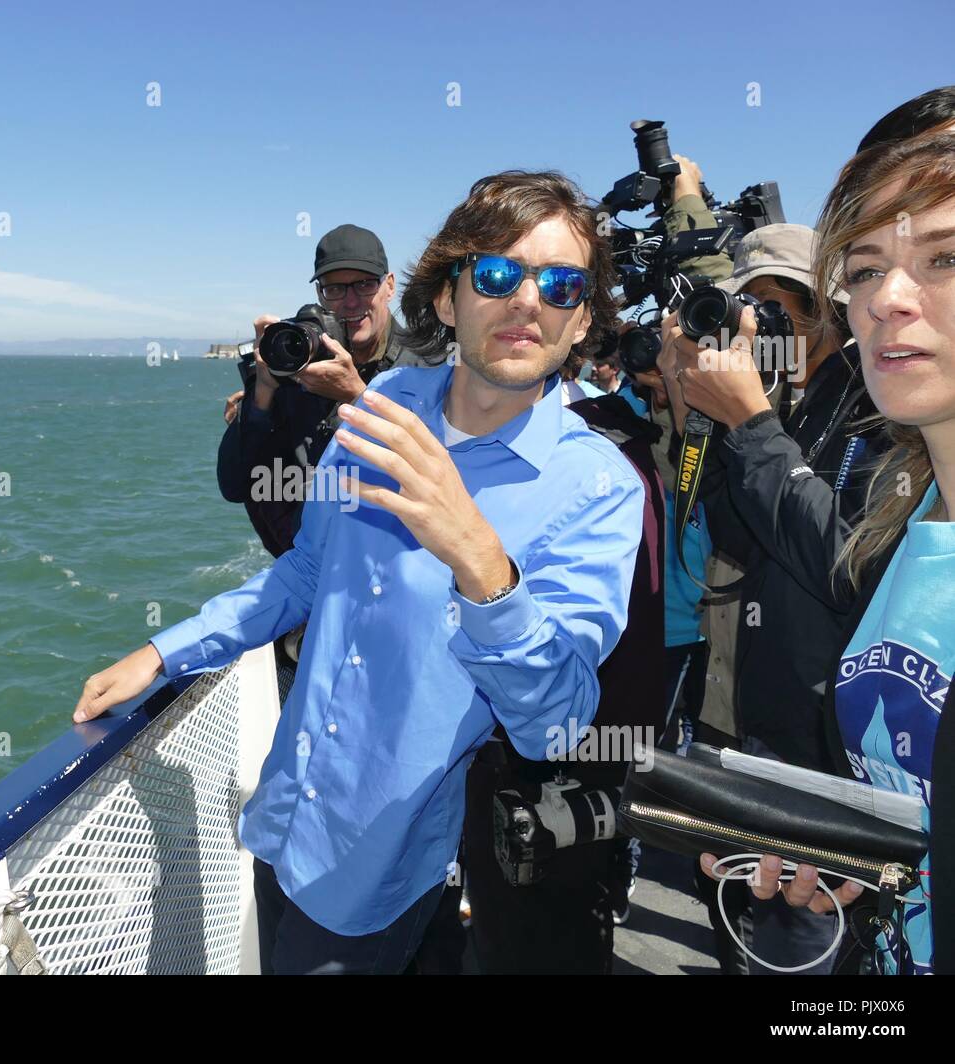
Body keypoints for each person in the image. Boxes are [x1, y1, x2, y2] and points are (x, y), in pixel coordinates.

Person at [72, 170, 644, 975]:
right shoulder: (387, 404)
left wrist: (480, 558)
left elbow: (552, 726)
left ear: (581, 319)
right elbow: (307, 572)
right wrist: (168, 650)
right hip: (284, 818)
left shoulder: (598, 489)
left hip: (378, 869)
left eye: (560, 284)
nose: (527, 301)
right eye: (496, 273)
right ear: (447, 298)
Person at [699, 129, 955, 975]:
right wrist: (716, 422)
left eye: (946, 258)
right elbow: (741, 544)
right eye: (868, 269)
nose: (890, 299)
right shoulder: (910, 500)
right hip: (804, 765)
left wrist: (752, 427)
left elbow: (840, 564)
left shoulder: (882, 401)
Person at [216, 225, 422, 558]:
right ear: (320, 295)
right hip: (307, 562)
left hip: (391, 561)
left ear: (389, 286)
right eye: (335, 289)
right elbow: (235, 485)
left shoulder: (426, 365)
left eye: (365, 285)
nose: (350, 302)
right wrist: (262, 392)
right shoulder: (297, 364)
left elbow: (439, 478)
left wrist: (355, 396)